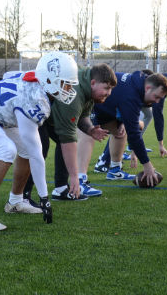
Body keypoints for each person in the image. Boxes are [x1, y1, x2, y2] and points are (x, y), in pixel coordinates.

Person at [0, 51, 79, 231]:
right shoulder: (36, 100)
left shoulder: (35, 79)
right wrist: (44, 197)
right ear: (49, 80)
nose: (68, 89)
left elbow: (8, 76)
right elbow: (37, 155)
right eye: (65, 83)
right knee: (7, 150)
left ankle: (15, 201)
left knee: (23, 149)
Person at [38, 63, 115, 201]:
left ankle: (60, 189)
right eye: (107, 88)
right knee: (40, 149)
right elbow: (67, 137)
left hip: (48, 114)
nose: (109, 93)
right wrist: (75, 177)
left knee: (60, 145)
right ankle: (21, 197)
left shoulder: (87, 88)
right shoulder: (75, 94)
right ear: (93, 83)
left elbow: (83, 115)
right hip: (34, 112)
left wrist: (90, 129)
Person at [82, 71, 167, 186]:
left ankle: (114, 170)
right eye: (156, 96)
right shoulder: (132, 95)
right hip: (87, 103)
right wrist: (147, 165)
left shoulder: (138, 81)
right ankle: (79, 180)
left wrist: (123, 121)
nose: (157, 102)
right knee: (87, 132)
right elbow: (134, 134)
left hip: (103, 107)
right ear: (148, 88)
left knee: (120, 132)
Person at [92, 73, 167, 172]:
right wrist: (148, 162)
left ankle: (115, 164)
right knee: (125, 127)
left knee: (126, 127)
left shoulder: (154, 84)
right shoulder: (155, 88)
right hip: (103, 102)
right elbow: (156, 117)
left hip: (118, 100)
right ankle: (100, 164)